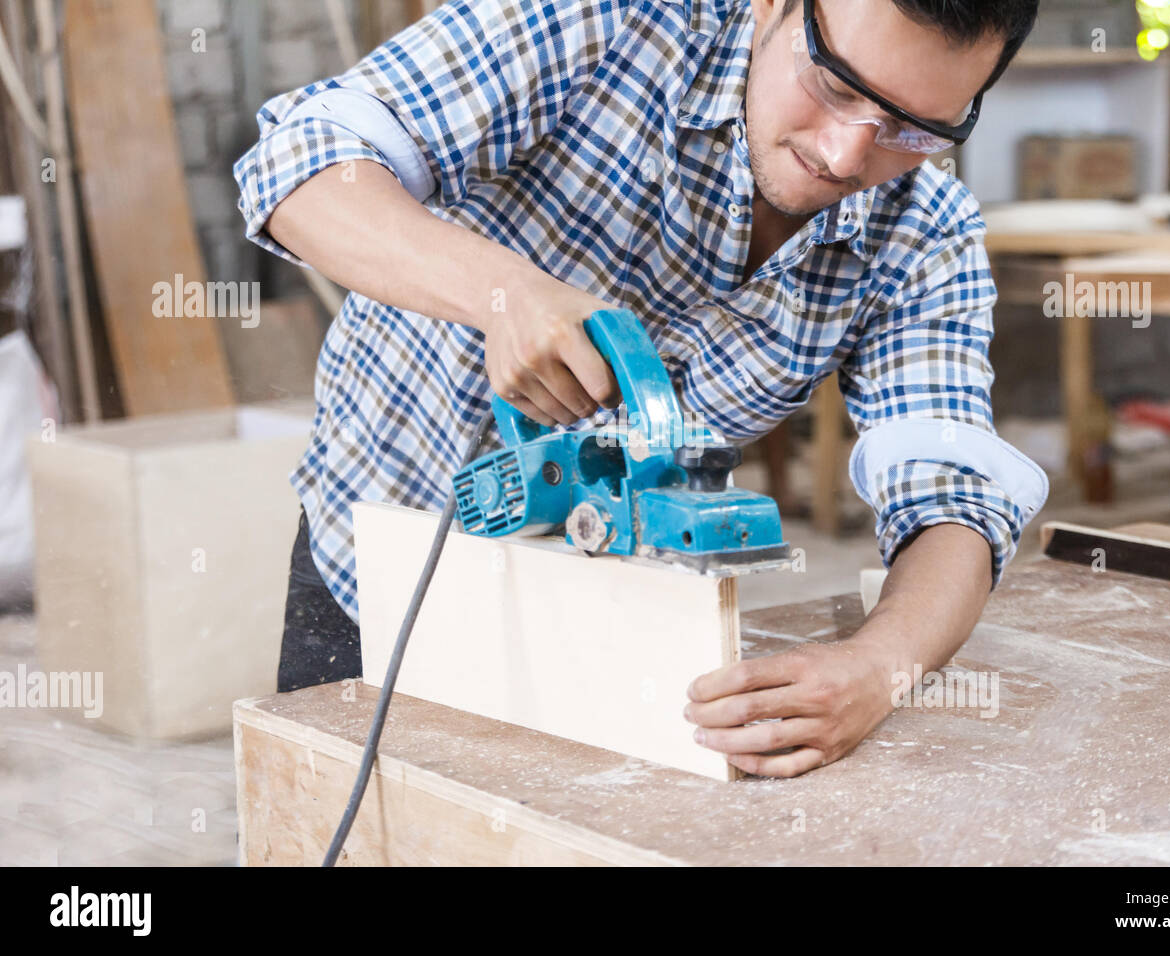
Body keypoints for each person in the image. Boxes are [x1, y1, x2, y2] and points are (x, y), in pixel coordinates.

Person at [234, 0, 1048, 778]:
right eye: (834, 85)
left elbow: (952, 501)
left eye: (912, 129)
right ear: (771, 5)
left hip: (617, 626)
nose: (845, 155)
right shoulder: (608, 22)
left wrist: (878, 670)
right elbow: (298, 163)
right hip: (376, 574)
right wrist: (501, 295)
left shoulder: (925, 235)